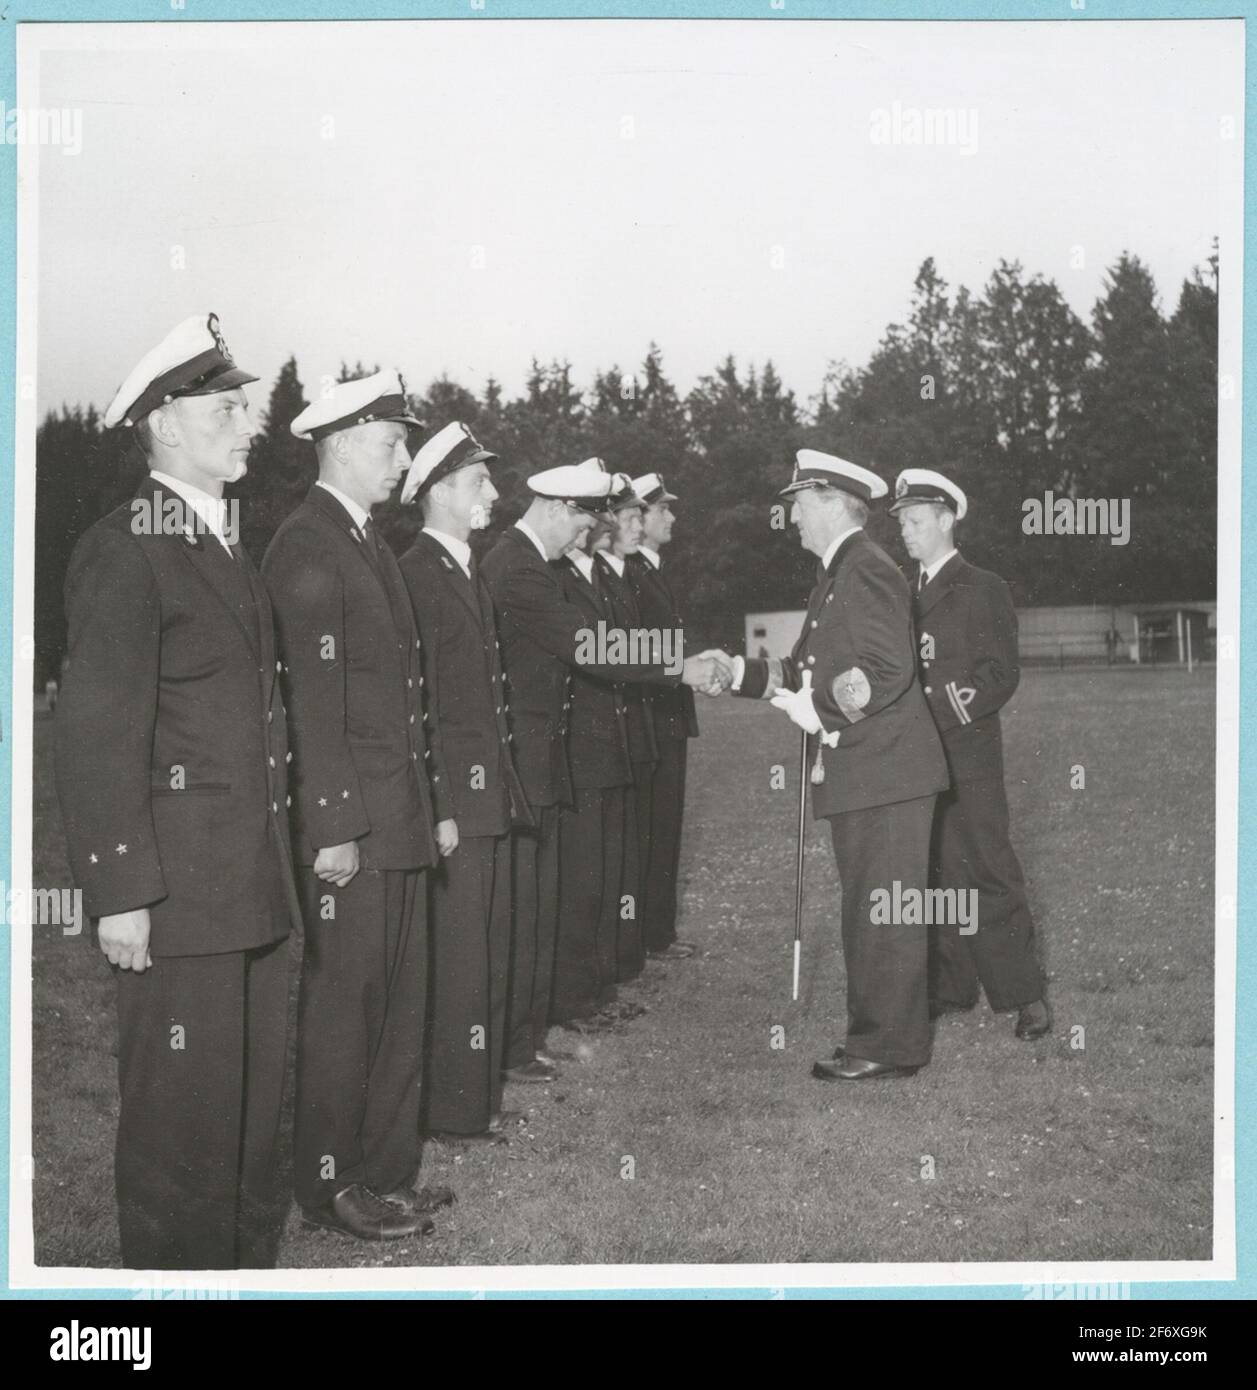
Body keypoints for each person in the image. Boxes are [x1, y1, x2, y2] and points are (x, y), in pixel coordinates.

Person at [55, 312, 298, 1267]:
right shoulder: (126, 547)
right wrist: (120, 892)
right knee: (180, 1125)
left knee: (248, 1115)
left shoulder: (220, 541)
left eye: (245, 408)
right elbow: (97, 734)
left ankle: (242, 1274)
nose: (247, 425)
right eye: (225, 410)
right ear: (162, 424)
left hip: (248, 884)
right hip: (177, 900)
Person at [263, 370, 450, 1241]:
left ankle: (384, 1170)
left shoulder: (364, 538)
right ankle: (332, 1184)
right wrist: (334, 826)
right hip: (355, 830)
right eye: (391, 443)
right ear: (340, 445)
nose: (403, 460)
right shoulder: (307, 543)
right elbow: (312, 699)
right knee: (345, 1010)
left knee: (398, 1005)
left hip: (396, 817)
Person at [480, 459, 725, 1084]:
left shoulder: (526, 562)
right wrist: (683, 667)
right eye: (582, 523)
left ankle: (533, 1029)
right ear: (558, 509)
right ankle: (525, 1032)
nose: (584, 537)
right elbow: (588, 643)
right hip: (530, 762)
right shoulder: (518, 569)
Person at [707, 450, 949, 1081]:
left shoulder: (864, 569)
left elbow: (888, 669)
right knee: (869, 907)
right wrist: (736, 673)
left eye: (799, 505)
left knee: (881, 911)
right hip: (871, 770)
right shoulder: (837, 573)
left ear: (834, 505)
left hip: (887, 772)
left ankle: (887, 1046)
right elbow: (801, 668)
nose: (791, 517)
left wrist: (822, 710)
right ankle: (879, 1036)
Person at [397, 422, 532, 1144]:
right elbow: (416, 704)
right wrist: (441, 806)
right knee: (458, 958)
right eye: (479, 481)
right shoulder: (417, 574)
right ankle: (452, 1108)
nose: (493, 492)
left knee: (485, 951)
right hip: (457, 804)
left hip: (487, 799)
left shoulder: (464, 568)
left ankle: (474, 1099)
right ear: (440, 490)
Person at [890, 468, 1050, 1041]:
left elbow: (1000, 673)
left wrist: (939, 711)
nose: (905, 532)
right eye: (902, 523)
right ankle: (950, 984)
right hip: (913, 755)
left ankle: (1024, 994)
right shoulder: (899, 590)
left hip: (967, 752)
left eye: (914, 521)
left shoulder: (983, 586)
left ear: (946, 520)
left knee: (988, 866)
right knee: (932, 867)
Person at [553, 499, 635, 1025]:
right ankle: (575, 997)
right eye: (592, 514)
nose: (601, 524)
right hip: (576, 750)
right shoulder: (553, 575)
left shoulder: (596, 573)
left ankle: (600, 986)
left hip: (607, 743)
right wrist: (680, 663)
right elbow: (594, 649)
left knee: (604, 873)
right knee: (580, 879)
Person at [626, 473, 699, 960]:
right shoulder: (630, 574)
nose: (670, 517)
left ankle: (657, 932)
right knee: (648, 830)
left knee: (664, 828)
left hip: (667, 717)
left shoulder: (651, 570)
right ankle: (647, 935)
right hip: (648, 719)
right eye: (660, 510)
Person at [593, 480, 659, 979]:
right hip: (607, 734)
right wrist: (686, 665)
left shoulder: (621, 574)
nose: (640, 526)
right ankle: (614, 959)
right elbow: (608, 650)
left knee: (630, 848)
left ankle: (626, 954)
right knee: (609, 856)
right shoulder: (592, 575)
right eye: (631, 517)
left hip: (633, 727)